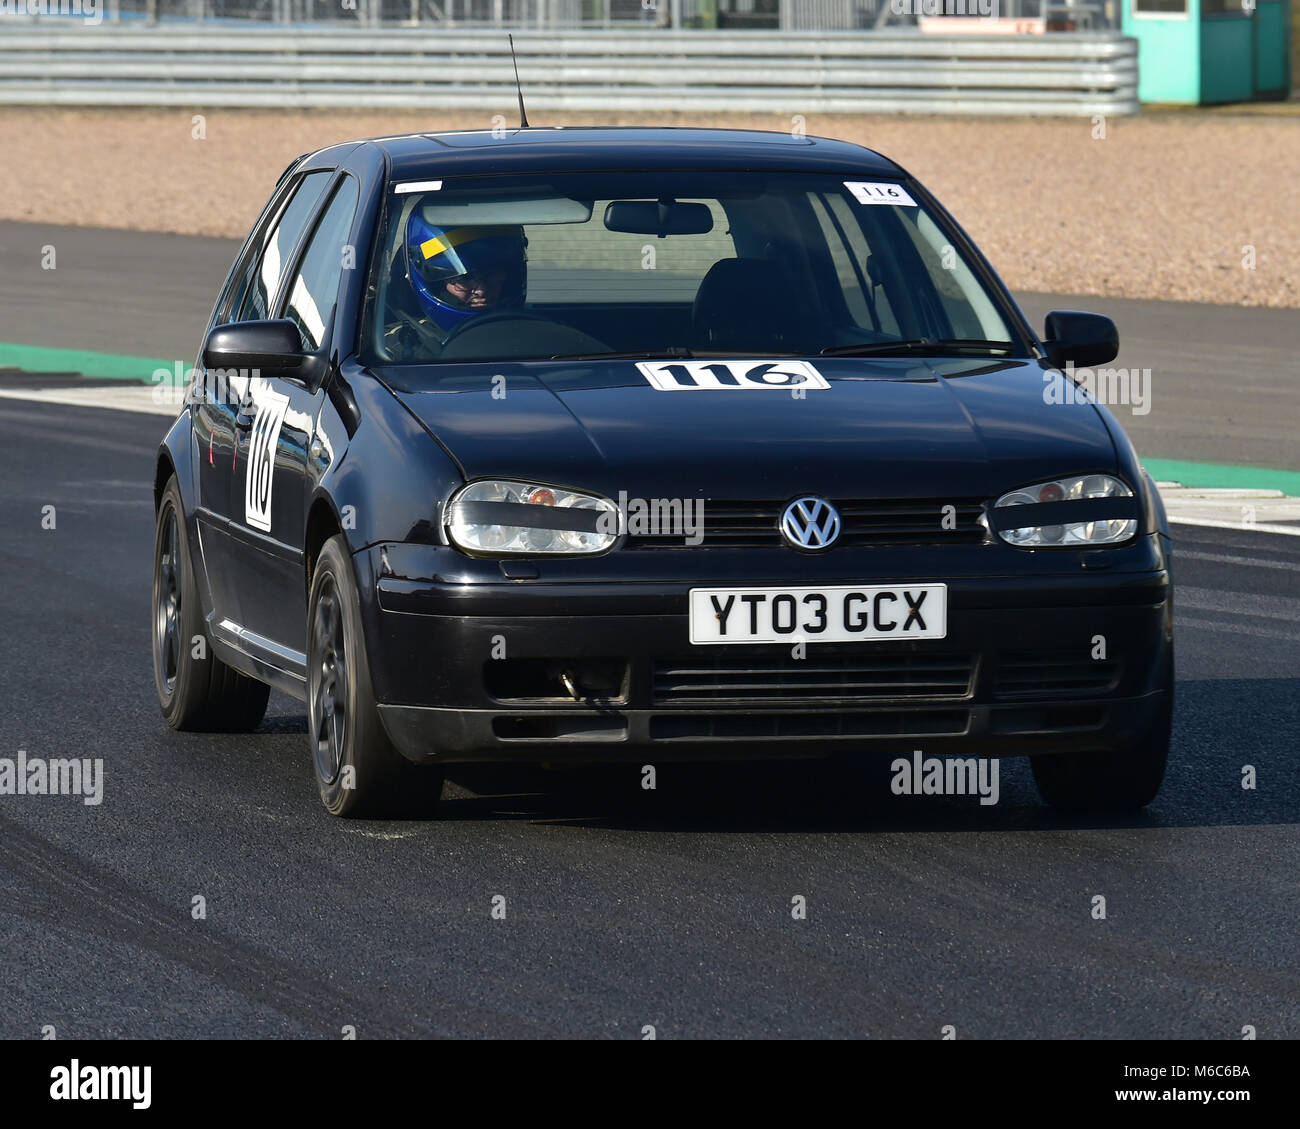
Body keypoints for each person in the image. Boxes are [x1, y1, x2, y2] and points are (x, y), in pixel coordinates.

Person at [385, 216, 528, 359]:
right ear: (437, 282)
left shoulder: (534, 334)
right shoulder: (395, 346)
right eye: (465, 279)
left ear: (509, 275)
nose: (481, 290)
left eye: (491, 275)